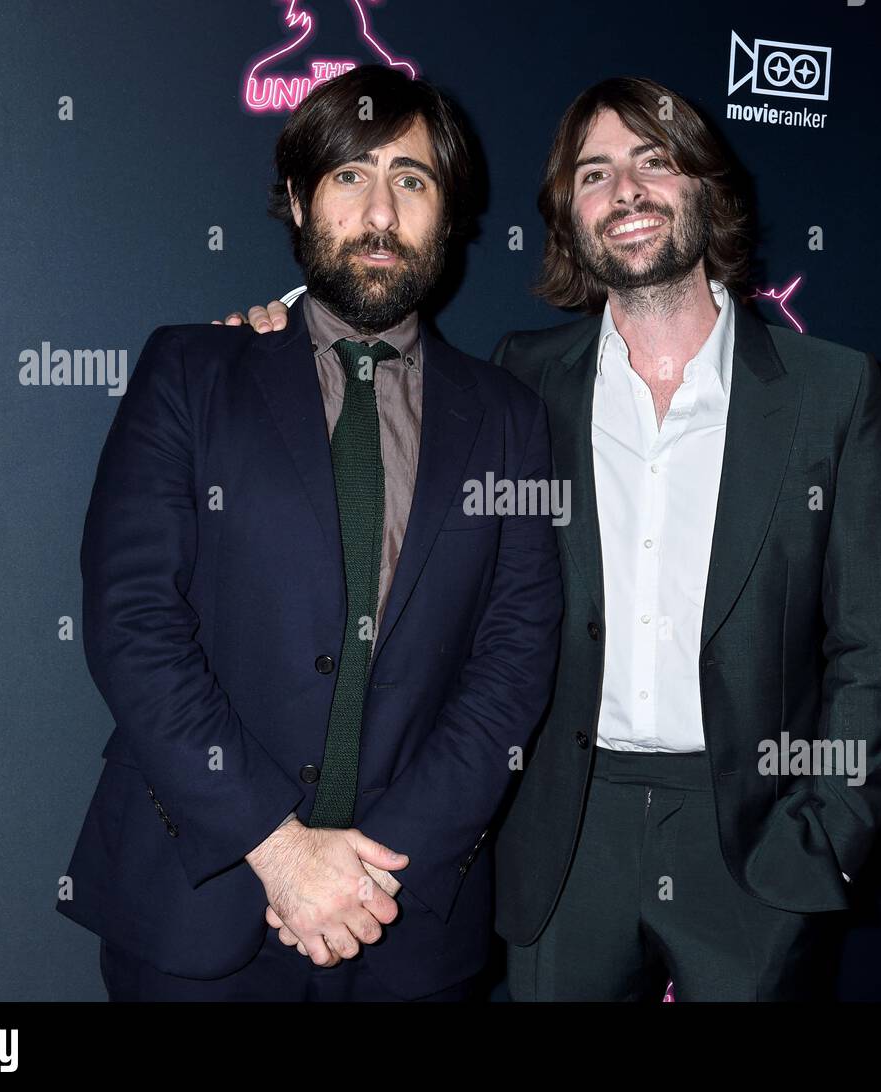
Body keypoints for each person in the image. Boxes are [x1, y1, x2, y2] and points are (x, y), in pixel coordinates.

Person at [223, 75, 881, 1002]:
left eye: (652, 162)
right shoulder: (520, 384)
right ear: (568, 217)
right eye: (593, 174)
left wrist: (825, 836)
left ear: (706, 185)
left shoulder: (835, 392)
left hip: (752, 837)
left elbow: (870, 647)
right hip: (559, 834)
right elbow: (362, 356)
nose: (624, 191)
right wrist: (273, 325)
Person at [57, 64, 562, 1002]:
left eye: (412, 181)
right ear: (296, 200)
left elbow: (516, 658)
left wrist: (369, 875)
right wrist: (279, 850)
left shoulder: (510, 419)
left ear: (446, 220)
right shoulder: (191, 370)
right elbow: (134, 623)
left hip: (408, 925)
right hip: (196, 904)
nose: (381, 211)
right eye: (348, 176)